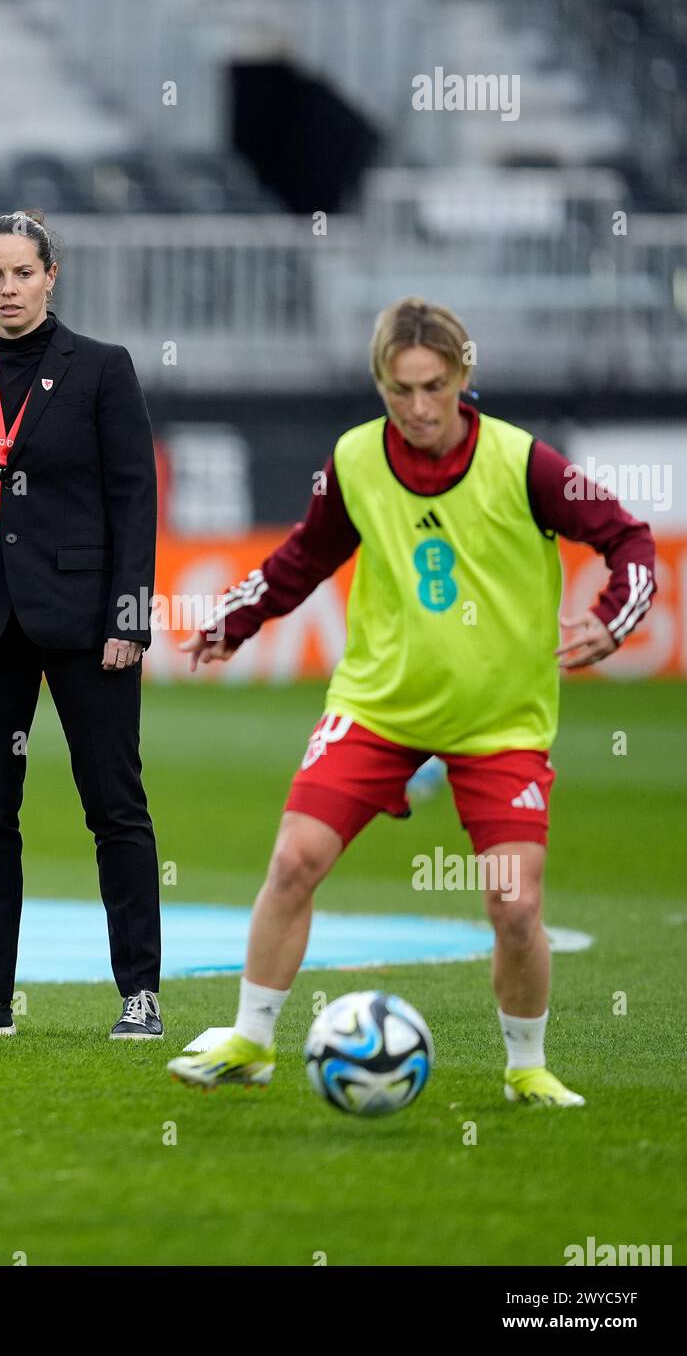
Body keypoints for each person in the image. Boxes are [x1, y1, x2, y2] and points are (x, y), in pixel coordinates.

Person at [169, 296, 656, 1106]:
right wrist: (235, 618)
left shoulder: (523, 461)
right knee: (294, 860)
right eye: (400, 391)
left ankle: (525, 1068)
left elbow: (627, 538)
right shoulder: (354, 459)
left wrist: (613, 621)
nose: (419, 408)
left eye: (433, 387)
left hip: (499, 722)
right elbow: (304, 554)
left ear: (463, 376)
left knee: (513, 904)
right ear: (379, 384)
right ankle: (250, 1041)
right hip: (378, 708)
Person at [0, 211, 162, 1040]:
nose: (8, 289)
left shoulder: (102, 369)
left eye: (22, 273)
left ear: (53, 275)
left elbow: (134, 497)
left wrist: (130, 616)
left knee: (114, 808)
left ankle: (140, 995)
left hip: (88, 625)